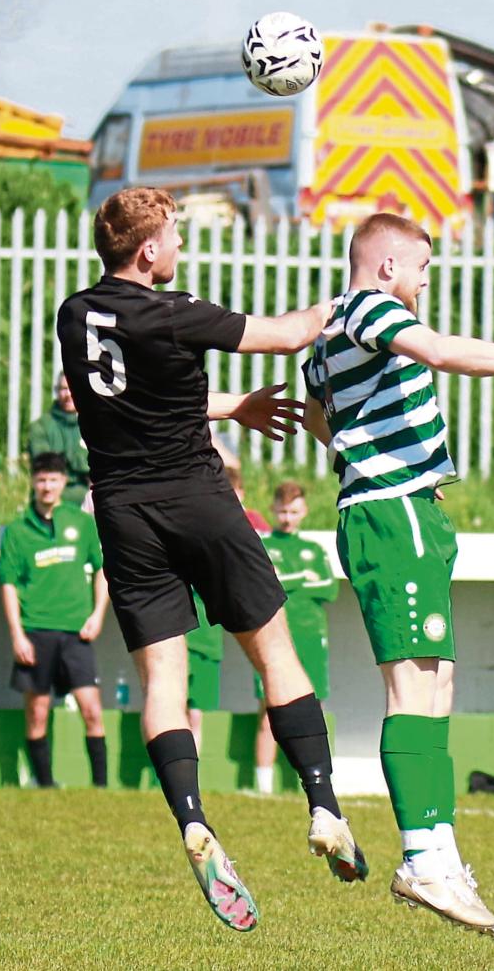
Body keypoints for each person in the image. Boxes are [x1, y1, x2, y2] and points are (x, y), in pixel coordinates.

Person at [56, 187, 366, 934]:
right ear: (149, 251)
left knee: (162, 677)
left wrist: (233, 408)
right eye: (175, 237)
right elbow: (289, 334)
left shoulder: (73, 314)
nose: (180, 249)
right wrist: (360, 293)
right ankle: (323, 802)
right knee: (275, 654)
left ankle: (192, 820)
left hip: (123, 512)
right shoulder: (174, 310)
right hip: (199, 497)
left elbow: (141, 397)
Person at [301, 212, 494, 937]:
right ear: (386, 267)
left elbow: (321, 419)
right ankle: (423, 860)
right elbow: (438, 352)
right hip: (392, 512)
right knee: (413, 682)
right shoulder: (370, 308)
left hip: (406, 508)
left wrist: (371, 447)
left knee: (438, 682)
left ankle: (439, 851)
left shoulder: (325, 338)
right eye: (421, 270)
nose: (424, 283)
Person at [0, 452, 110, 789]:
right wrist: (17, 635)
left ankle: (101, 790)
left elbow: (103, 569)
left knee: (91, 708)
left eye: (53, 479)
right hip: (36, 631)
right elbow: (8, 584)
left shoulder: (81, 522)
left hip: (76, 632)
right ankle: (44, 785)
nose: (47, 486)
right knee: (37, 711)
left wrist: (97, 614)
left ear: (63, 483)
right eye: (41, 479)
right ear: (33, 482)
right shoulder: (17, 530)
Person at [254, 481, 337, 794]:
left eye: (294, 511)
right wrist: (303, 579)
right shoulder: (263, 545)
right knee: (268, 712)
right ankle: (262, 786)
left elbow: (329, 588)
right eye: (283, 511)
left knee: (315, 710)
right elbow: (266, 584)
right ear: (273, 509)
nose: (288, 517)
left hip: (312, 637)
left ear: (304, 512)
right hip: (274, 638)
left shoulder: (313, 550)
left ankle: (317, 784)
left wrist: (292, 582)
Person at [28, 372, 90, 504]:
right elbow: (46, 465)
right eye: (63, 389)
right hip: (53, 494)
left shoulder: (95, 425)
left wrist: (66, 457)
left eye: (72, 388)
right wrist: (82, 461)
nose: (68, 394)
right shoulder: (41, 427)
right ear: (56, 391)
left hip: (89, 492)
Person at [186, 591, 224, 754]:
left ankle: (189, 772)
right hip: (177, 643)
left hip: (208, 647)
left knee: (195, 715)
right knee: (171, 710)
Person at [226, 464, 270, 534]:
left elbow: (268, 540)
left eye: (232, 493)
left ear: (242, 493)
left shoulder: (254, 518)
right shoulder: (212, 520)